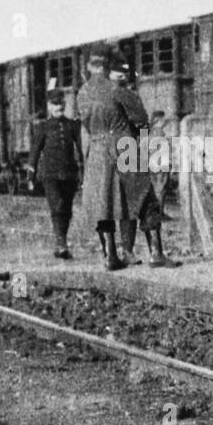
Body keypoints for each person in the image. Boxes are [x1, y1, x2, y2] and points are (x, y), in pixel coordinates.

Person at [112, 62, 173, 267]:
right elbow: (140, 121)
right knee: (148, 199)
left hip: (111, 154)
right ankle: (156, 253)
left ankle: (126, 251)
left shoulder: (98, 96)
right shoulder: (126, 94)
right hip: (129, 148)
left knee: (126, 203)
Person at [77, 50, 130, 270]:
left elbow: (85, 127)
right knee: (121, 201)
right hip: (118, 147)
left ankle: (109, 253)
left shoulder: (82, 93)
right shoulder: (115, 90)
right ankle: (125, 251)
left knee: (101, 202)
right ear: (107, 67)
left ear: (90, 67)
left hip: (96, 150)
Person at [27, 89, 84, 258]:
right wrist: (30, 176)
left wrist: (84, 173)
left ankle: (62, 241)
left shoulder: (72, 125)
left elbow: (81, 149)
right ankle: (61, 244)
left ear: (65, 105)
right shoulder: (42, 127)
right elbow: (34, 152)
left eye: (61, 104)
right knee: (57, 205)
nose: (58, 107)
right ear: (49, 106)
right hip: (50, 175)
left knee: (66, 210)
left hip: (69, 175)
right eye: (55, 104)